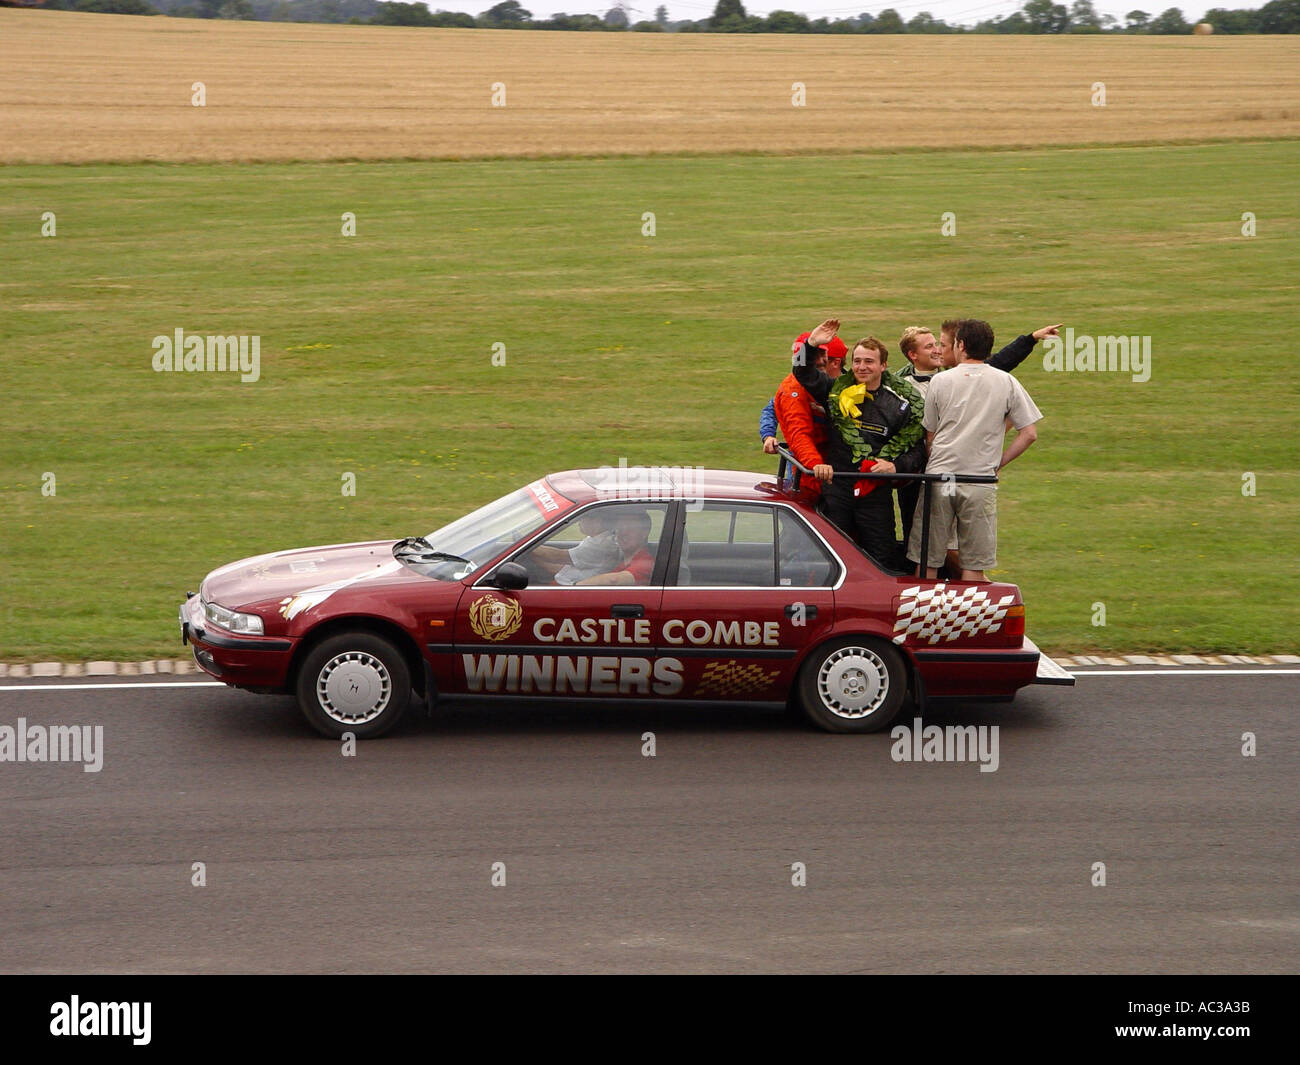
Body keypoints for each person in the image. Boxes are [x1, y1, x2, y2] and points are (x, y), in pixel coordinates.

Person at [906, 319, 1043, 582]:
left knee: (928, 561)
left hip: (939, 478)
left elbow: (930, 432)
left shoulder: (940, 381)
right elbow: (1029, 433)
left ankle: (924, 620)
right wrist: (996, 464)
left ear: (961, 345)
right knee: (973, 565)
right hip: (980, 481)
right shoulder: (1007, 382)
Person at [793, 321, 923, 568]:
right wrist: (810, 345)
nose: (862, 367)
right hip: (836, 488)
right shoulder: (835, 391)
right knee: (831, 556)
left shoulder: (898, 405)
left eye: (869, 361)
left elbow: (916, 448)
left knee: (880, 557)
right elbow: (802, 373)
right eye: (857, 361)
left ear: (883, 366)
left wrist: (894, 466)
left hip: (875, 493)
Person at [759, 333, 847, 496]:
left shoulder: (840, 382)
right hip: (811, 469)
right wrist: (767, 435)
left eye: (824, 354)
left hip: (833, 462)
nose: (822, 361)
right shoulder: (793, 391)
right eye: (816, 354)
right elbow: (797, 433)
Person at [528, 511, 622, 585]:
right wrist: (535, 557)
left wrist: (529, 546)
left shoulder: (600, 546)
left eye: (582, 519)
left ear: (597, 522)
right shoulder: (597, 540)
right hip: (567, 583)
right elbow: (562, 568)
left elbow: (557, 556)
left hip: (569, 589)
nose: (579, 523)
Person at [576, 511, 655, 586]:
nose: (623, 533)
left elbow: (614, 580)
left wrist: (575, 586)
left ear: (645, 533)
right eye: (620, 528)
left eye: (630, 528)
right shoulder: (620, 560)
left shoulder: (646, 563)